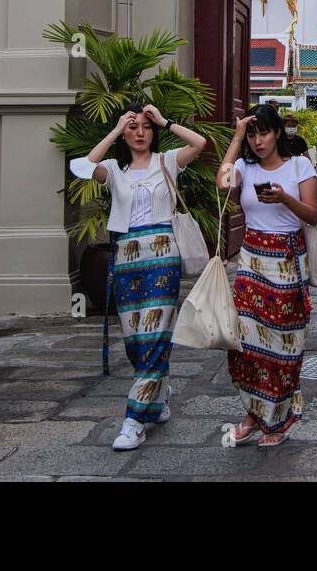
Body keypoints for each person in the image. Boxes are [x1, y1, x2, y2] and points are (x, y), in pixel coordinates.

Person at [70, 104, 207, 451]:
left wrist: (166, 120)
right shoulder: (115, 170)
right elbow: (84, 168)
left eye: (146, 127)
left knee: (155, 335)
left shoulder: (168, 161)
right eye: (134, 127)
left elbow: (200, 143)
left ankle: (133, 421)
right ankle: (157, 393)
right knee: (134, 339)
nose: (141, 132)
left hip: (163, 256)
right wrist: (116, 129)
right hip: (126, 256)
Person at [216, 105, 317, 447]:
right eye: (254, 134)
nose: (259, 141)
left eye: (265, 132)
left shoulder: (299, 165)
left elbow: (312, 215)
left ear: (278, 133)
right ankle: (253, 414)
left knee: (281, 348)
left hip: (287, 263)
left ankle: (275, 420)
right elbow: (222, 182)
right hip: (251, 261)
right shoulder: (244, 166)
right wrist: (237, 136)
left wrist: (284, 197)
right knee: (245, 344)